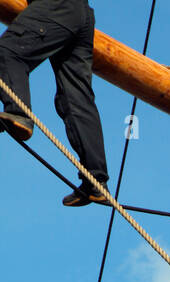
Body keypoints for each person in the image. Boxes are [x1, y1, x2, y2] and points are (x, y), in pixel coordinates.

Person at [0, 0, 109, 207]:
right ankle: (96, 180)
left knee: (7, 53)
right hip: (80, 13)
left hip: (56, 5)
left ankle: (18, 113)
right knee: (75, 99)